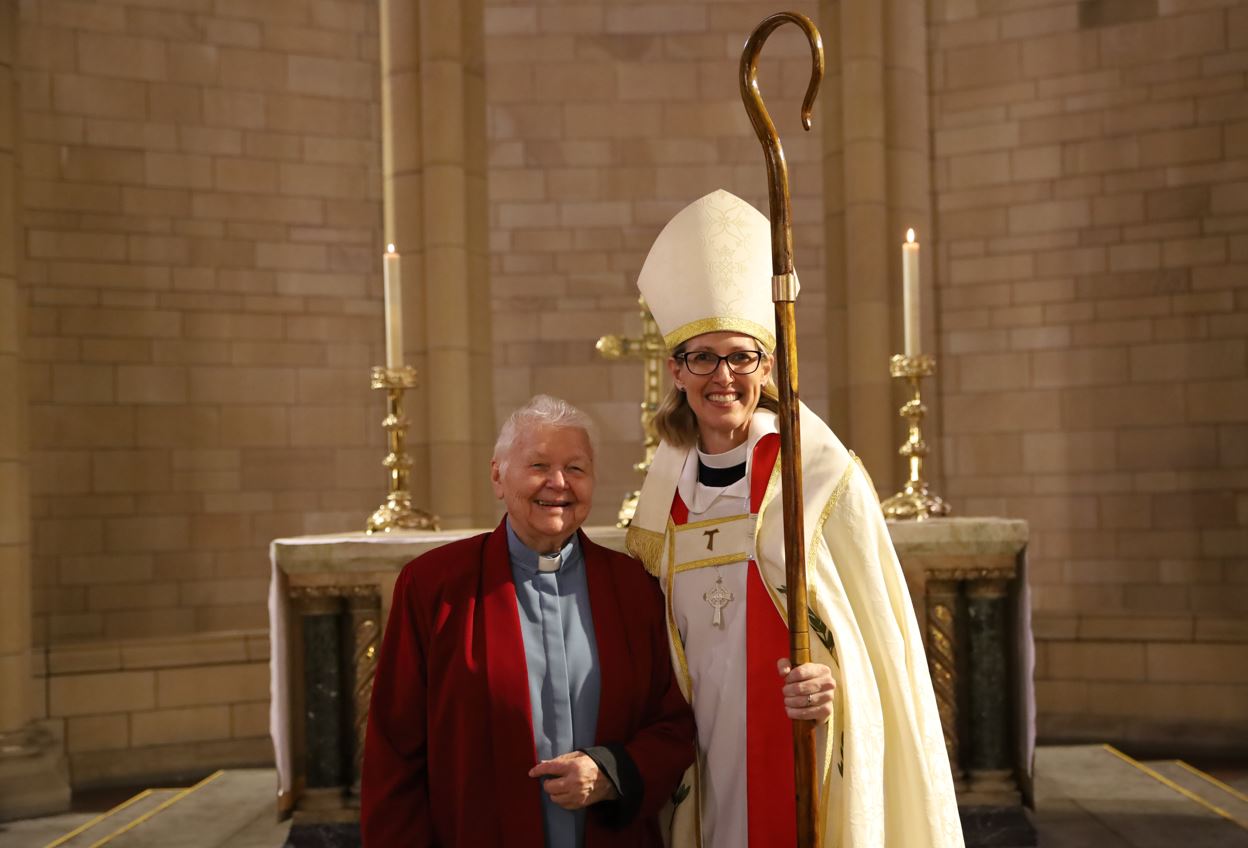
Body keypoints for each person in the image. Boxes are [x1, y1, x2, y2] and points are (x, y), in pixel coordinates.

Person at [624, 190, 963, 847]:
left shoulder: (822, 479)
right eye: (703, 358)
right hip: (702, 755)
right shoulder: (661, 498)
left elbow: (876, 643)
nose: (723, 376)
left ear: (768, 366)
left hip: (801, 745)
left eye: (741, 356)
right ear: (677, 371)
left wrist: (832, 680)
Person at [361, 395, 696, 848]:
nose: (558, 483)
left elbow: (672, 723)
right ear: (498, 475)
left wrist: (611, 774)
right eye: (538, 465)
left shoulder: (633, 588)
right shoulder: (434, 587)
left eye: (576, 469)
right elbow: (394, 752)